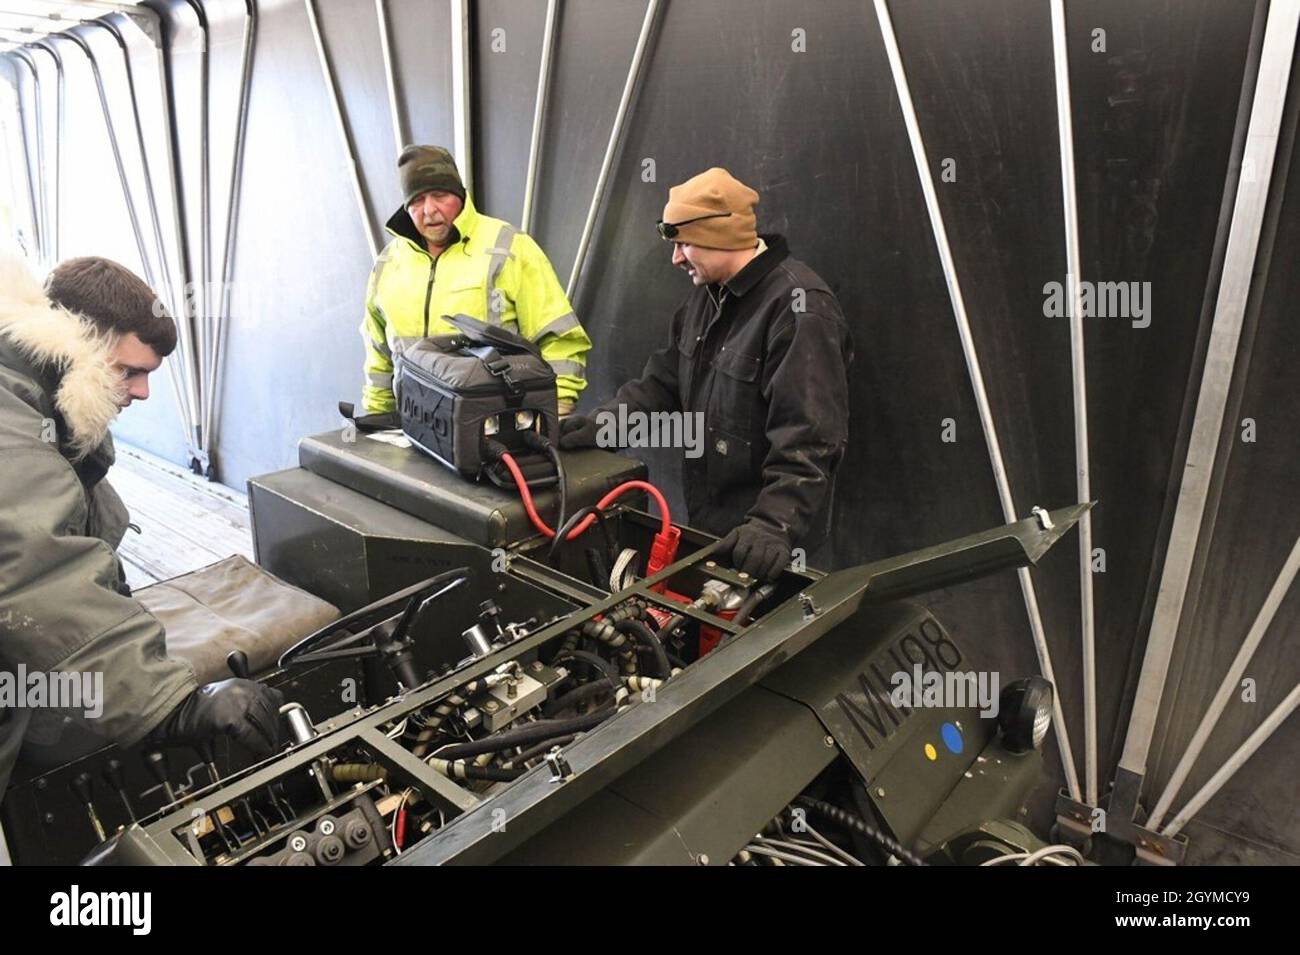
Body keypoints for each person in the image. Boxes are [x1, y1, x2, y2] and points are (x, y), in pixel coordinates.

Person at [0, 254, 283, 801]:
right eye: (129, 371)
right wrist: (171, 703)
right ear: (74, 348)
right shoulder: (10, 429)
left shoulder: (41, 407)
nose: (143, 391)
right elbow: (38, 576)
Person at [560, 168, 852, 581]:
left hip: (773, 547)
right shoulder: (706, 299)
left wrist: (774, 524)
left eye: (684, 243)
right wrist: (597, 428)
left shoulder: (799, 308)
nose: (676, 257)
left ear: (720, 236)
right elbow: (663, 385)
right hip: (711, 526)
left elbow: (811, 438)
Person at [361, 145, 592, 416]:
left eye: (439, 195)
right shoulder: (389, 262)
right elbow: (378, 353)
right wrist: (377, 416)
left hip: (495, 425)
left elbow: (560, 337)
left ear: (460, 195)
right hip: (415, 425)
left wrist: (555, 411)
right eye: (417, 200)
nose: (429, 209)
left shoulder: (508, 247)